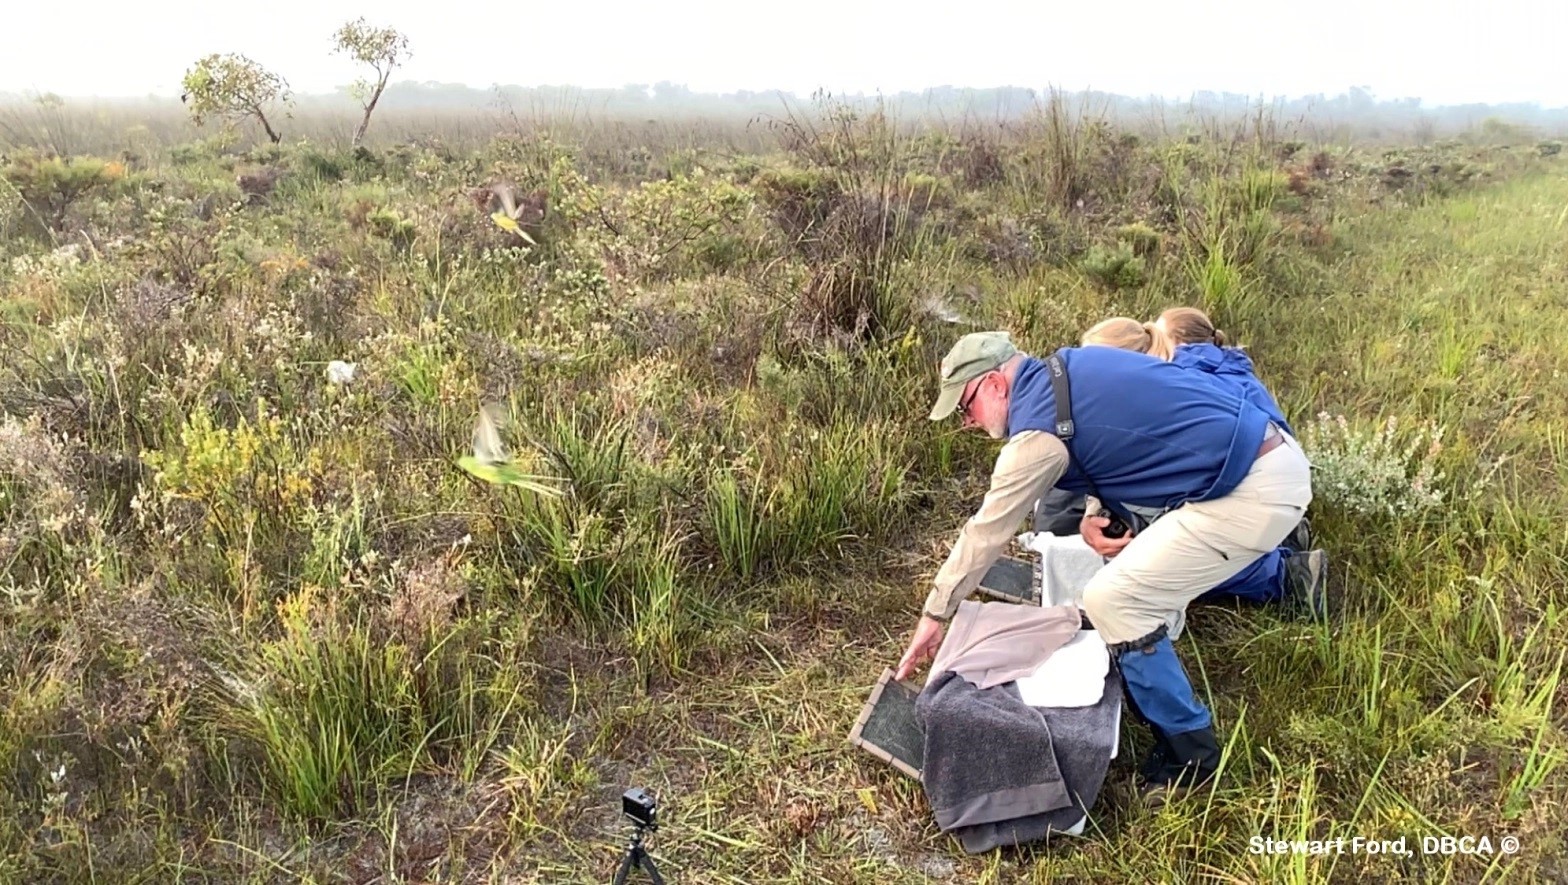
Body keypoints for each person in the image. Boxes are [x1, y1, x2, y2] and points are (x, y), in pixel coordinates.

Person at [895, 331, 1313, 804]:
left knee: (1114, 599)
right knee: (1142, 572)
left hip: (1250, 490)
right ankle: (1288, 575)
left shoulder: (1035, 439)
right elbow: (1118, 442)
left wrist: (935, 615)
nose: (967, 422)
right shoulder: (1075, 366)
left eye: (965, 407)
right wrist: (1095, 511)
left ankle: (1190, 756)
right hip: (1263, 456)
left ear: (994, 384)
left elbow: (986, 532)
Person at [1076, 315, 1327, 612]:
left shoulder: (1176, 390)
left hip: (1252, 486)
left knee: (1157, 558)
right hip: (1278, 480)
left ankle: (1289, 577)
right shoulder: (1210, 366)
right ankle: (1283, 535)